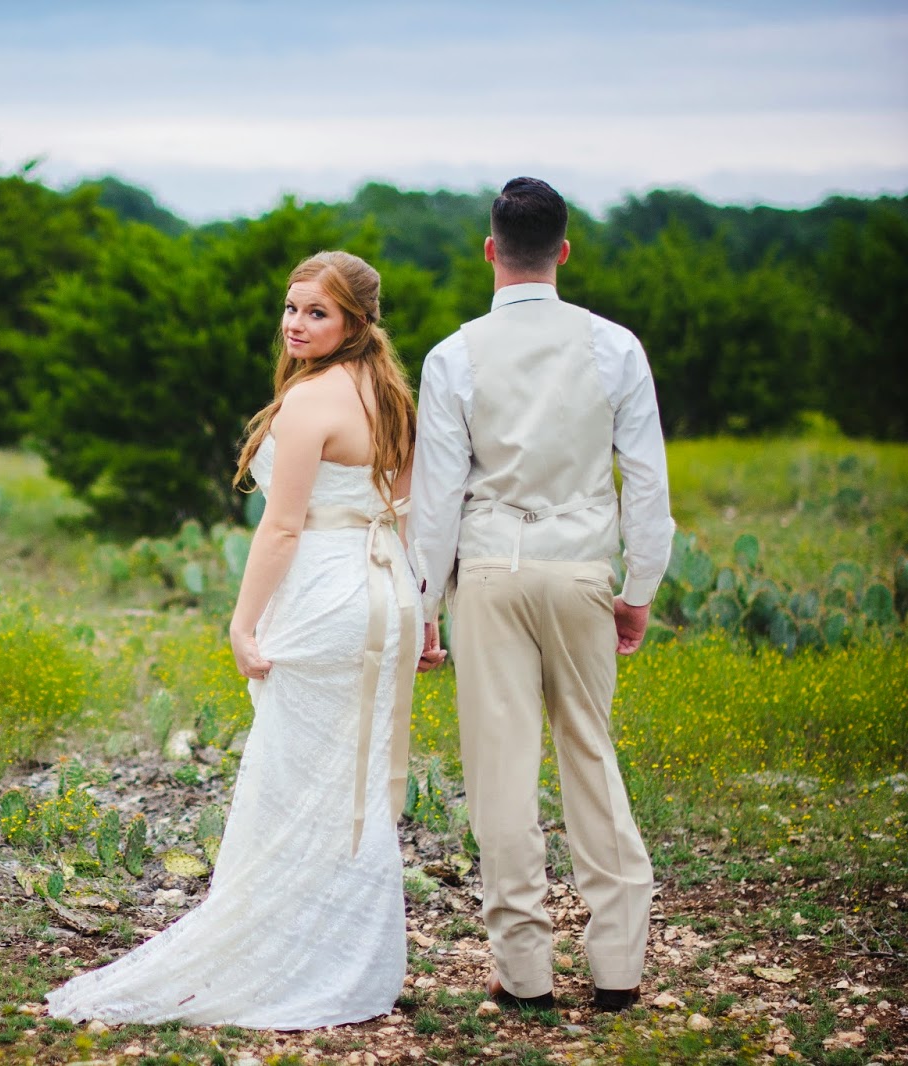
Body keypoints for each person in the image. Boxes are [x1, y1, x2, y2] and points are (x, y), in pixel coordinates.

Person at [46, 250, 421, 1029]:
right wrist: (427, 612)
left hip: (327, 593)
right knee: (353, 782)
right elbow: (407, 508)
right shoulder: (388, 392)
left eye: (317, 312)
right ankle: (349, 957)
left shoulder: (311, 401)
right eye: (291, 308)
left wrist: (242, 620)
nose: (296, 323)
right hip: (384, 598)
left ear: (354, 321)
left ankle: (294, 956)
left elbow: (281, 527)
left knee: (297, 779)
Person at [406, 177, 674, 1013]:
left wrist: (422, 610)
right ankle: (619, 966)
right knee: (589, 753)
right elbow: (649, 483)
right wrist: (639, 587)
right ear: (564, 249)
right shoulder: (616, 347)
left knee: (502, 772)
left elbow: (436, 501)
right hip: (584, 569)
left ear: (490, 250)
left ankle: (523, 974)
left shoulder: (454, 355)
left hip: (489, 573)